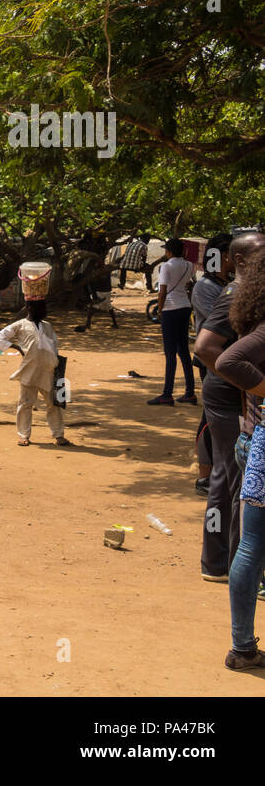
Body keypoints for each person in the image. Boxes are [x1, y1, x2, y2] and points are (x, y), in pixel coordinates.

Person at [194, 231, 265, 583]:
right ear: (238, 260)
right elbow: (205, 348)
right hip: (227, 396)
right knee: (237, 482)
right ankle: (235, 564)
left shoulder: (243, 294)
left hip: (229, 392)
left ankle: (218, 562)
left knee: (225, 478)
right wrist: (250, 387)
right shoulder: (233, 295)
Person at [210, 248, 265, 668]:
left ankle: (242, 647)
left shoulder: (253, 314)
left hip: (254, 437)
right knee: (251, 546)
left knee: (251, 546)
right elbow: (227, 358)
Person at [0, 300, 71, 448]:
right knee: (25, 404)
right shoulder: (20, 325)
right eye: (41, 308)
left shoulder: (48, 326)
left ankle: (59, 435)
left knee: (54, 405)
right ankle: (23, 436)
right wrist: (17, 348)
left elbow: (54, 345)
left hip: (49, 371)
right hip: (29, 370)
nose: (44, 310)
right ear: (29, 308)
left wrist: (57, 368)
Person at [191, 233, 234, 493]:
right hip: (212, 361)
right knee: (209, 419)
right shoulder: (206, 287)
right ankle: (204, 474)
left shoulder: (225, 284)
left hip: (227, 359)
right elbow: (224, 323)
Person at [147, 238, 197, 406]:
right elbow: (189, 284)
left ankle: (167, 394)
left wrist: (160, 311)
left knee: (170, 353)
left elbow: (162, 292)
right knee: (183, 351)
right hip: (185, 306)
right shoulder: (189, 265)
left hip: (170, 308)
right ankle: (190, 392)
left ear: (168, 251)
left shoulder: (166, 266)